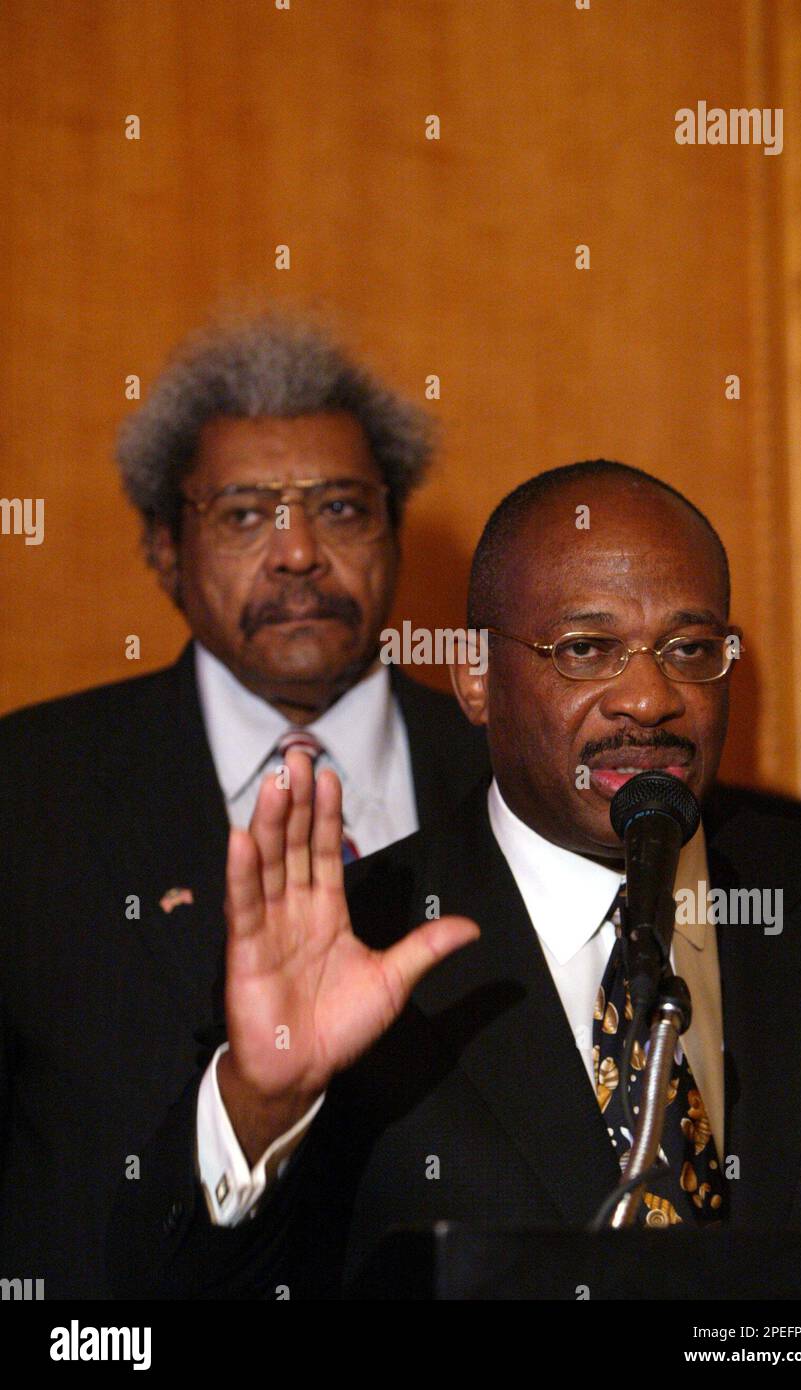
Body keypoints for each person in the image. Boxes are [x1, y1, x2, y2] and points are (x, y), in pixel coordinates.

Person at [106, 458, 801, 1300]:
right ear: (474, 678)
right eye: (586, 650)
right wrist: (259, 1105)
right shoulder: (358, 942)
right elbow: (165, 1292)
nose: (649, 698)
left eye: (688, 648)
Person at [0, 315, 487, 1298]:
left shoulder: (506, 777)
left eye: (342, 508)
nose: (299, 551)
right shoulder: (26, 795)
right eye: (242, 513)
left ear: (392, 532)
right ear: (164, 550)